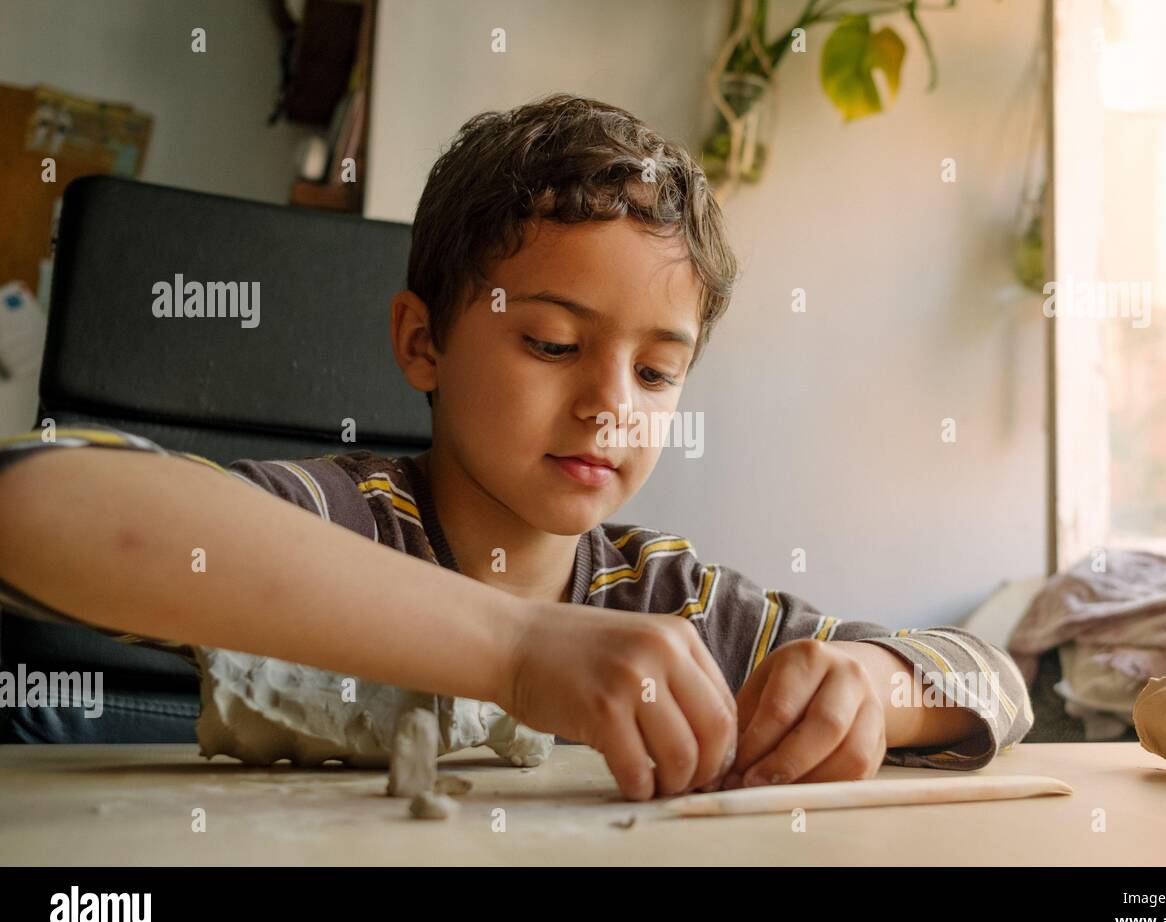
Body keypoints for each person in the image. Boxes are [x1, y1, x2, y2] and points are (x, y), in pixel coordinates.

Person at [0, 94, 1031, 802]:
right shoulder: (342, 521)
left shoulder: (668, 602)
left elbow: (995, 677)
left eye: (656, 372)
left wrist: (872, 685)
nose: (607, 404)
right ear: (423, 340)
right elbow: (32, 503)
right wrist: (515, 648)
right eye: (550, 343)